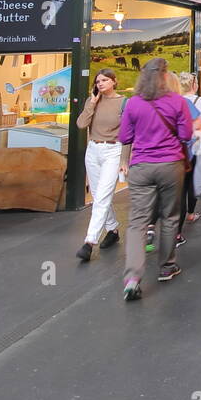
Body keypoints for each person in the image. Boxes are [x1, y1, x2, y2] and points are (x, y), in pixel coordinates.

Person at [117, 57, 194, 301]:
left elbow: (125, 136)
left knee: (138, 222)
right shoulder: (177, 101)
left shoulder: (132, 103)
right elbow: (186, 134)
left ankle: (132, 278)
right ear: (164, 76)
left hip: (141, 166)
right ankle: (167, 266)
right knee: (170, 216)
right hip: (170, 164)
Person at [74, 68, 124, 262]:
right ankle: (112, 229)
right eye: (97, 81)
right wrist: (92, 104)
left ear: (114, 81)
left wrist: (125, 159)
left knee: (102, 195)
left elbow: (129, 132)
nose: (100, 84)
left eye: (104, 80)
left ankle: (89, 242)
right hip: (93, 149)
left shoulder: (123, 102)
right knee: (97, 195)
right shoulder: (92, 101)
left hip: (113, 150)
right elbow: (80, 124)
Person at [175, 72, 201, 242]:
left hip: (175, 149)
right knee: (190, 183)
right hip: (194, 146)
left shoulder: (174, 101)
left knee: (178, 188)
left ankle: (168, 227)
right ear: (194, 85)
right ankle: (189, 214)